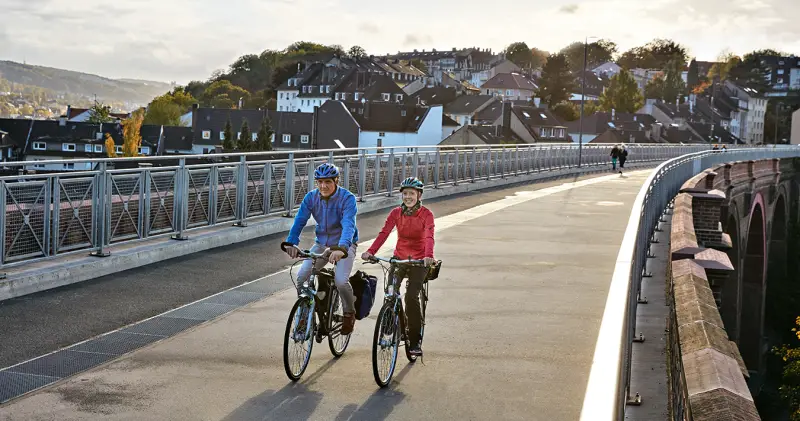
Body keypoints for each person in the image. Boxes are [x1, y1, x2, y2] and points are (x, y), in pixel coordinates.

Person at [362, 177, 435, 357]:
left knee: (411, 297)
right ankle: (390, 328)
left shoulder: (426, 214)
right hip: (399, 258)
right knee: (390, 291)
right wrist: (370, 251)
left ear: (419, 195)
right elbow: (384, 233)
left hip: (419, 261)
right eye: (405, 194)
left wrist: (428, 256)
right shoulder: (396, 213)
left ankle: (415, 340)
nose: (408, 197)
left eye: (412, 193)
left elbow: (429, 236)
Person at [284, 163, 359, 335]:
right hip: (322, 244)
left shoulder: (347, 198)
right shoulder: (311, 198)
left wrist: (342, 248)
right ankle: (304, 315)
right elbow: (300, 220)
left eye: (328, 182)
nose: (323, 186)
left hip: (344, 244)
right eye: (319, 182)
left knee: (340, 280)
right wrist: (291, 242)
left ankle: (349, 313)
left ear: (336, 181)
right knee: (302, 277)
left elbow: (349, 225)